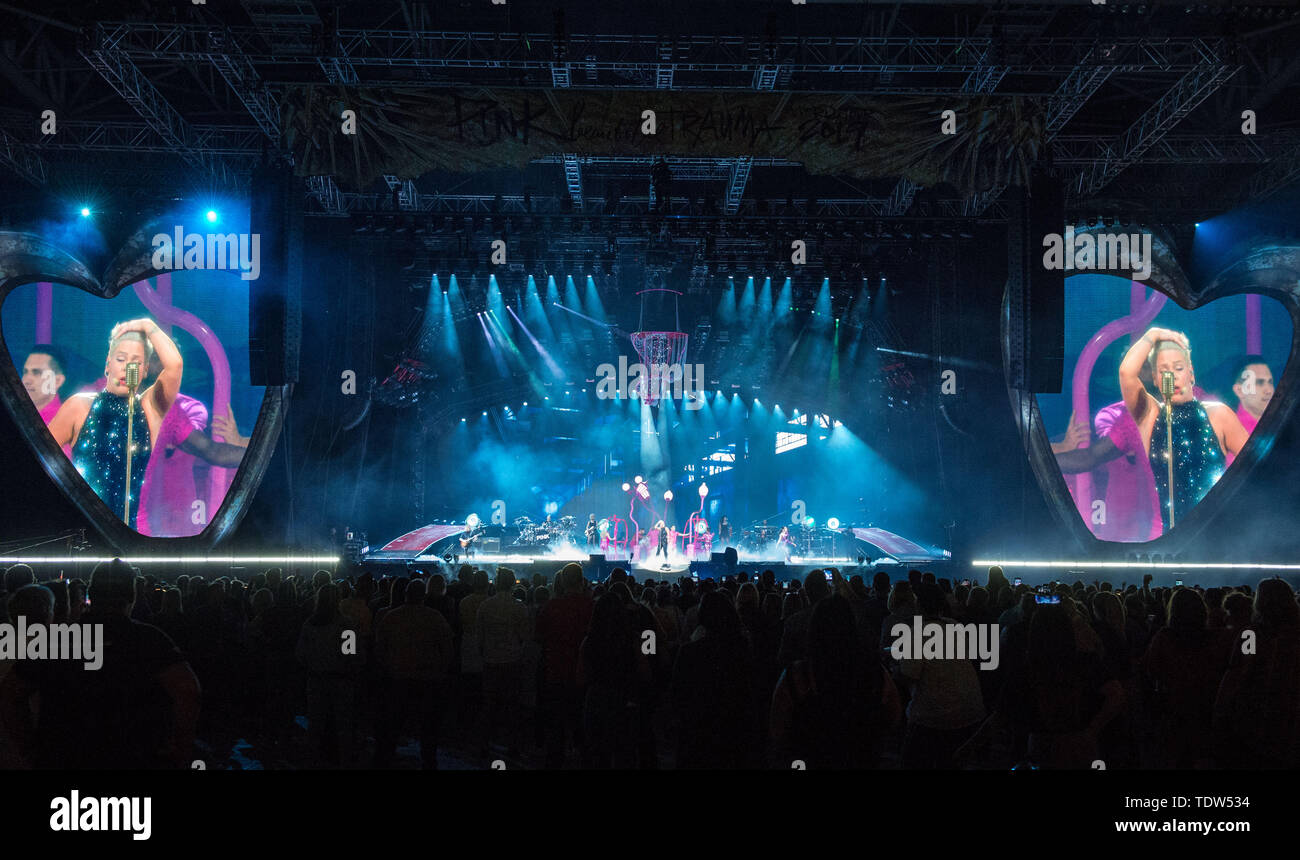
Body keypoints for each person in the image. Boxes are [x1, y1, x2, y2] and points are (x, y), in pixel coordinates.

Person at [0, 558, 200, 768]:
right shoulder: (149, 639)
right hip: (132, 756)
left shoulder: (58, 639)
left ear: (91, 594)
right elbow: (188, 690)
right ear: (132, 596)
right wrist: (180, 749)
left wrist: (30, 748)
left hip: (63, 756)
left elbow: (11, 694)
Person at [47, 319, 183, 529]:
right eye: (121, 359)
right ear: (108, 364)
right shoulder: (79, 406)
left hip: (125, 534)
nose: (127, 367)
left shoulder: (150, 409)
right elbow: (40, 459)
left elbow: (174, 365)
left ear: (145, 370)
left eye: (136, 362)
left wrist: (148, 325)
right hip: (81, 531)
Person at [1119, 327, 1248, 531]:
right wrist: (1152, 335)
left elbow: (1255, 468)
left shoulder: (1218, 415)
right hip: (1175, 538)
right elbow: (1127, 373)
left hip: (1220, 533)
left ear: (1191, 373)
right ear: (1155, 378)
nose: (1173, 376)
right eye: (1164, 371)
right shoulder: (1150, 416)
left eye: (1178, 368)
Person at [1054, 401, 1162, 542]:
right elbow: (1091, 457)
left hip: (1155, 531)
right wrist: (1062, 447)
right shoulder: (1116, 419)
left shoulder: (1184, 410)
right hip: (1119, 532)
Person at [21, 345, 66, 429]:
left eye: (36, 373)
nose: (26, 380)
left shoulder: (63, 424)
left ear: (57, 381)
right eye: (25, 372)